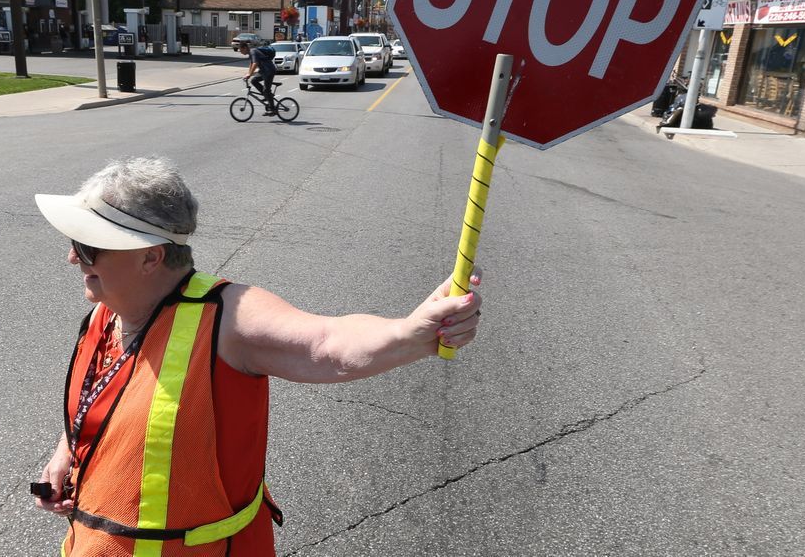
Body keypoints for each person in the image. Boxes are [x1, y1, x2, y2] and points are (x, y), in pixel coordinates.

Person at [32, 157, 484, 556]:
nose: (73, 258)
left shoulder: (226, 317)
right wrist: (66, 454)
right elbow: (106, 394)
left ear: (151, 258)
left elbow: (324, 344)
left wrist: (411, 333)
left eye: (88, 246)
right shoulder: (105, 314)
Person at [239, 41, 278, 115]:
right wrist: (248, 74)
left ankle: (273, 109)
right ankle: (266, 96)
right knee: (254, 81)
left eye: (241, 50)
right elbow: (251, 63)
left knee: (266, 90)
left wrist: (250, 74)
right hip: (263, 71)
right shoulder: (251, 53)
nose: (241, 52)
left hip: (269, 70)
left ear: (245, 48)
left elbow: (255, 63)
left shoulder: (253, 52)